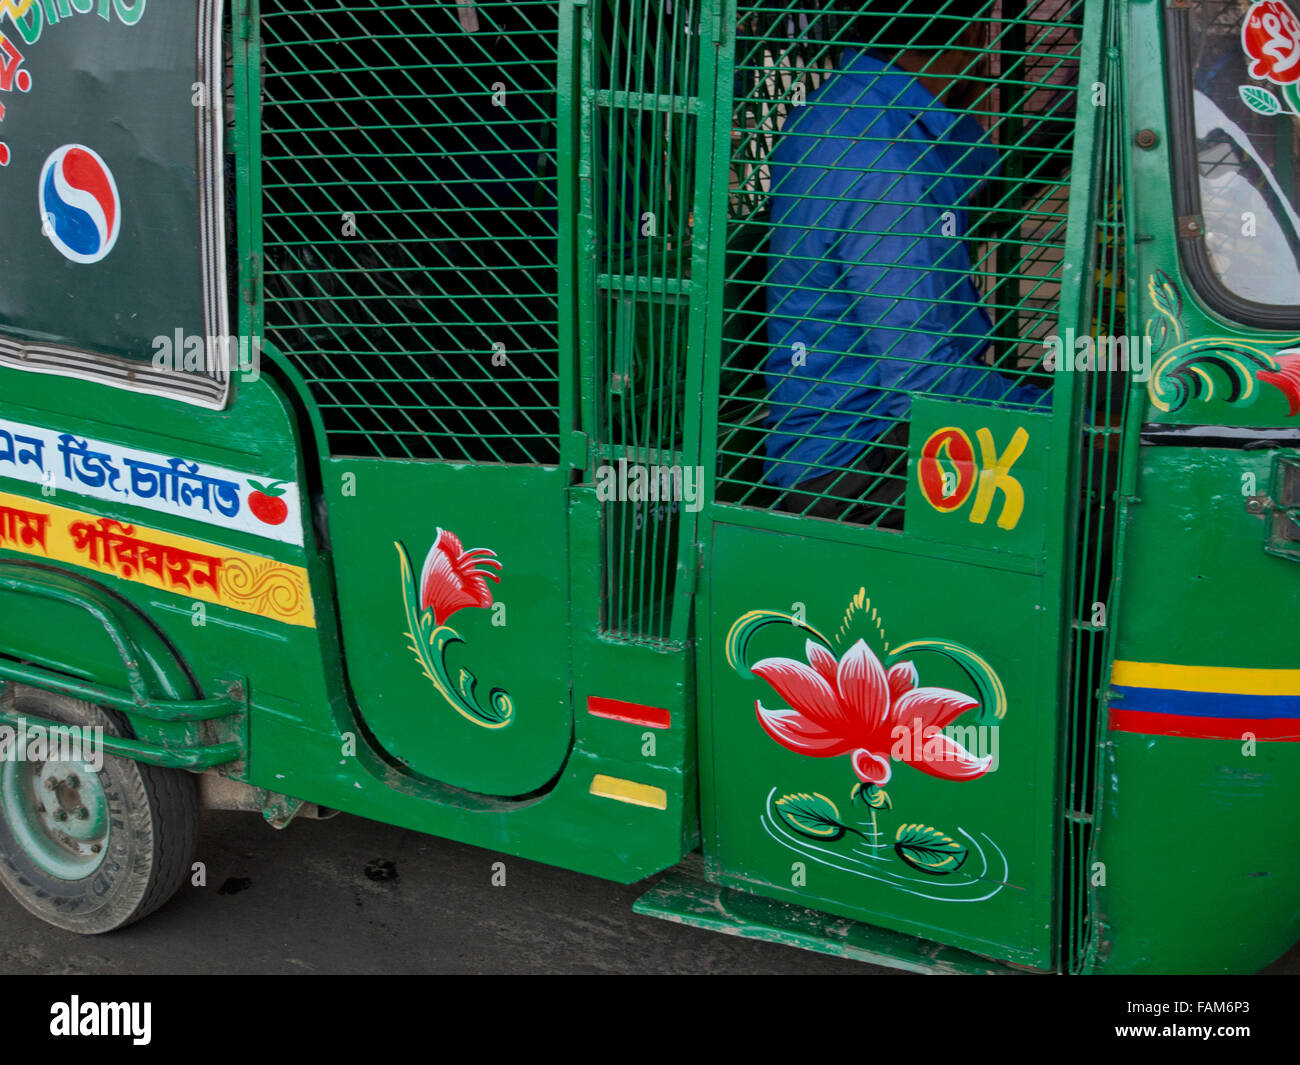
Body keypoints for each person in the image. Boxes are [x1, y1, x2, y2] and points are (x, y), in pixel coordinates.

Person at [764, 6, 1050, 528]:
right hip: (856, 458)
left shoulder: (854, 104)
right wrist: (1061, 422)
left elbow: (994, 185)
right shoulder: (886, 164)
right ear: (967, 33)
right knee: (1103, 485)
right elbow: (924, 383)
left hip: (849, 422)